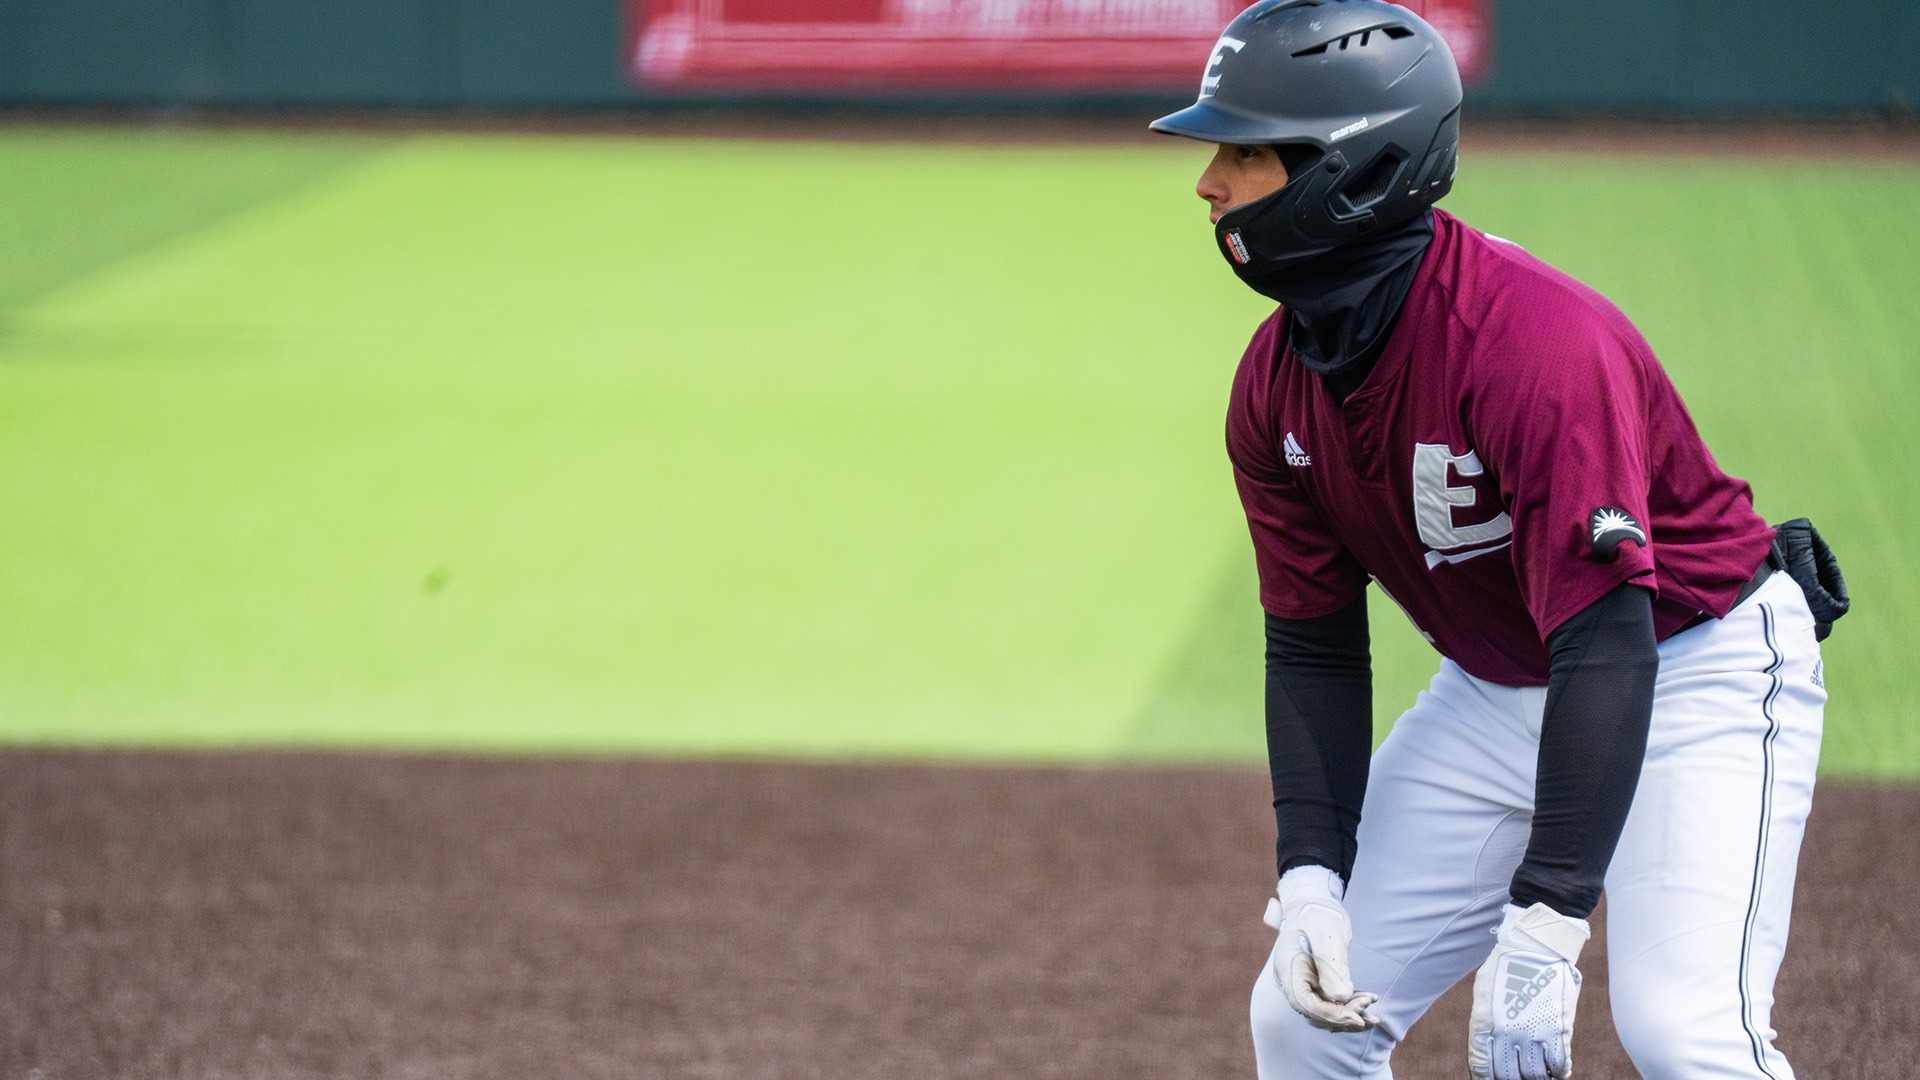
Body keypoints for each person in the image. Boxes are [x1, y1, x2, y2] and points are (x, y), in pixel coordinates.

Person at [1147, 2, 1850, 1078]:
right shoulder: (1274, 385)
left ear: (1352, 167)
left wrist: (1550, 918)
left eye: (1243, 152)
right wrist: (1313, 882)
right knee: (1302, 1018)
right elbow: (1314, 647)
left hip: (1690, 674)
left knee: (1684, 1035)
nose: (1208, 183)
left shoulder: (1529, 344)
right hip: (1498, 688)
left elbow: (1608, 640)